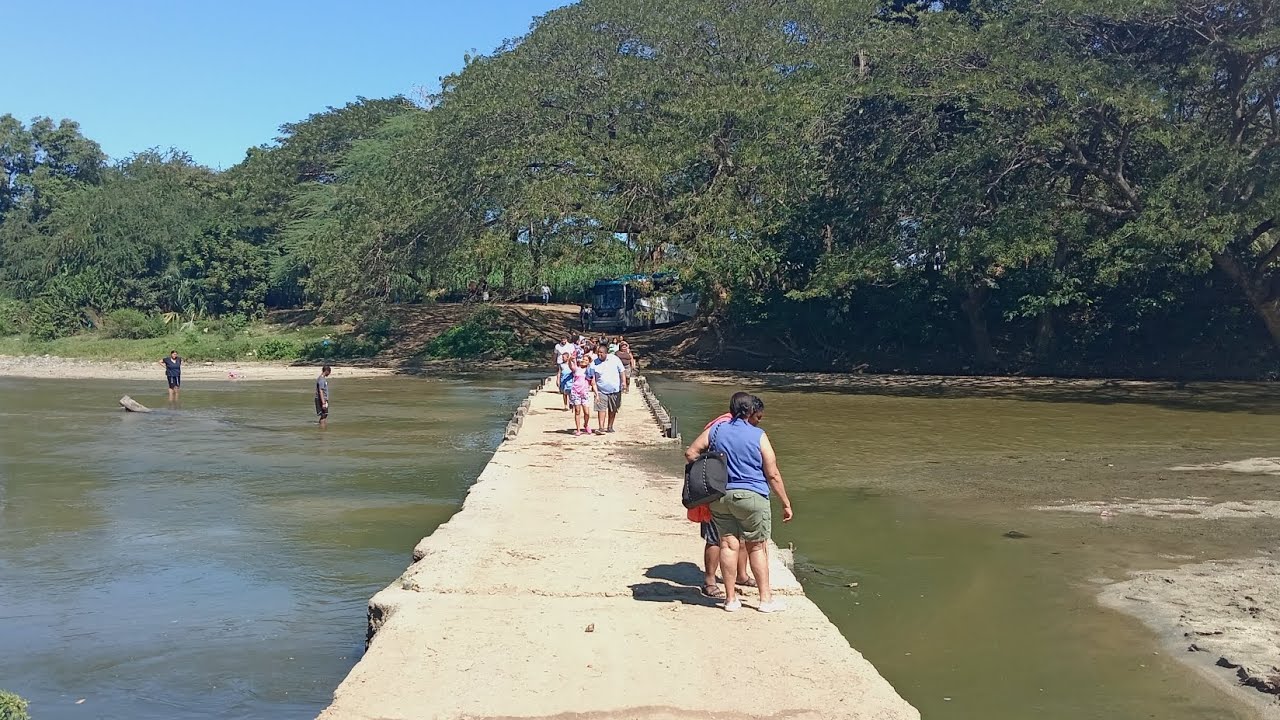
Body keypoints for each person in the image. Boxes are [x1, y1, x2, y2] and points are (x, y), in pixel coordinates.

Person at [685, 392, 793, 613]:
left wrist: (712, 473)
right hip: (752, 496)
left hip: (721, 496)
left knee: (727, 544)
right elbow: (772, 474)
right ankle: (765, 600)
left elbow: (691, 453)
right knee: (757, 547)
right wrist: (785, 503)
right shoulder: (758, 435)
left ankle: (730, 599)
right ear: (750, 411)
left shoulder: (716, 430)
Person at [695, 395, 765, 598]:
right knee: (716, 538)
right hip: (719, 491)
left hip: (729, 492)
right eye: (757, 417)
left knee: (740, 537)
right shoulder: (722, 427)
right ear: (748, 412)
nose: (758, 421)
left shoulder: (729, 426)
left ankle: (741, 575)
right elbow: (693, 452)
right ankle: (709, 581)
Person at [587, 344, 626, 434]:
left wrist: (623, 382)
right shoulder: (594, 363)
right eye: (598, 353)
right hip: (601, 390)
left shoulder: (615, 359)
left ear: (606, 353)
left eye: (601, 353)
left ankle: (610, 426)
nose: (599, 354)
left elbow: (622, 371)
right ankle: (601, 427)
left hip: (615, 389)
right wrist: (594, 390)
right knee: (601, 409)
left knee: (613, 409)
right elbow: (591, 377)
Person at [569, 356, 593, 436]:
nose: (584, 361)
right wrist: (570, 359)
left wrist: (595, 391)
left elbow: (593, 381)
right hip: (575, 392)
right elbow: (570, 366)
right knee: (577, 411)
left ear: (588, 362)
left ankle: (586, 424)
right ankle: (578, 429)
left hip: (585, 392)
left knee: (587, 412)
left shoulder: (589, 371)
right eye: (583, 359)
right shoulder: (577, 369)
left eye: (586, 360)